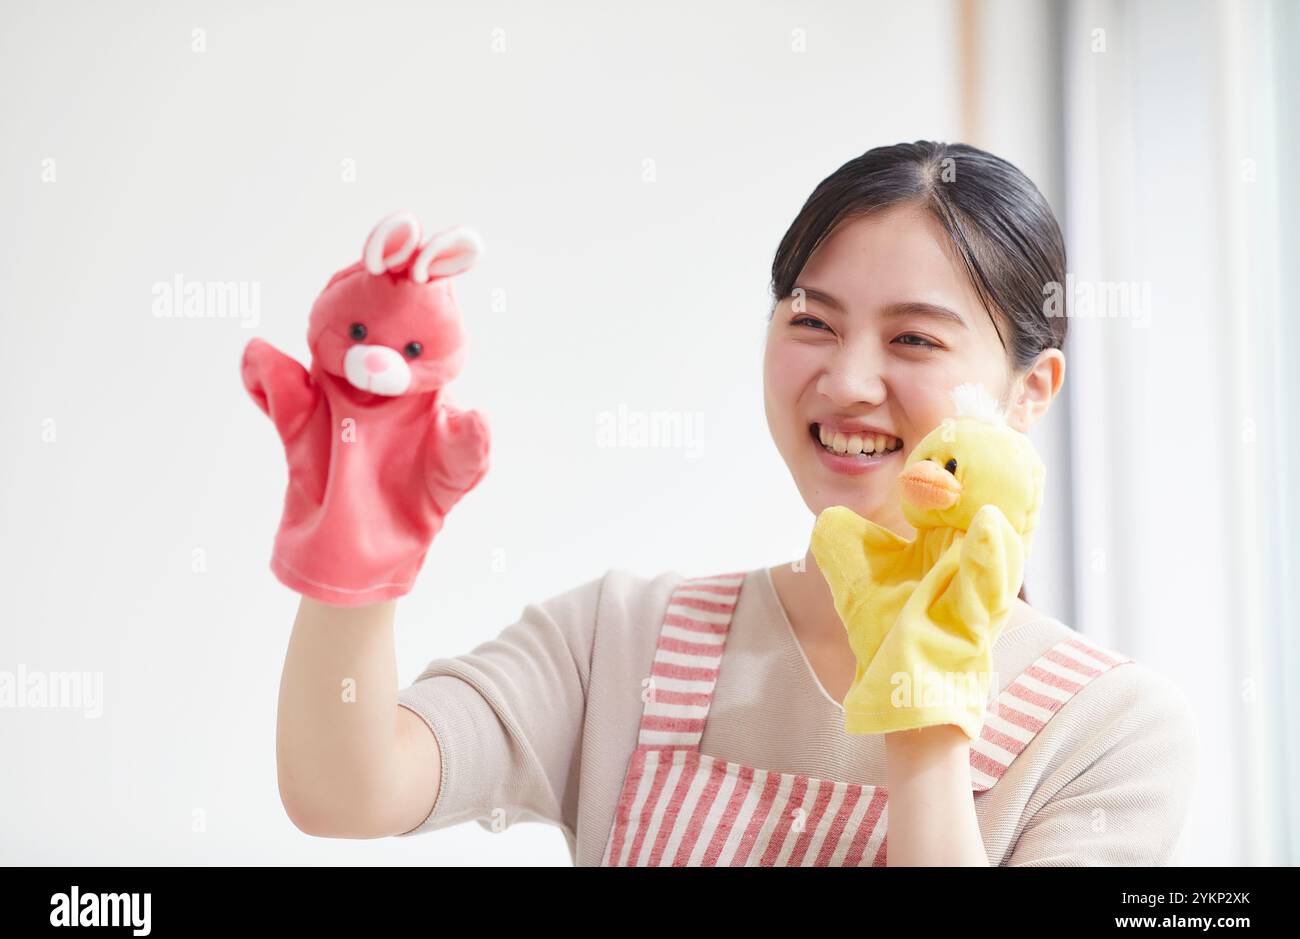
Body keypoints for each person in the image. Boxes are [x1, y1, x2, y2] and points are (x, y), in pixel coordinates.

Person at [275, 141, 1198, 866]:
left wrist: (925, 707)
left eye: (914, 339)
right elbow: (344, 792)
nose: (849, 379)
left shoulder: (1108, 733)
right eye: (811, 322)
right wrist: (357, 560)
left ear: (1031, 391)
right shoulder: (622, 638)